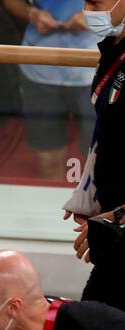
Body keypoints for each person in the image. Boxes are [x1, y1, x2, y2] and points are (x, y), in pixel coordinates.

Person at [65, 0, 125, 310]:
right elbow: (107, 134)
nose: (88, 10)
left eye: (96, 3)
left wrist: (118, 218)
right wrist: (88, 191)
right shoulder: (113, 50)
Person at [3, 0, 96, 182]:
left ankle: (100, 208)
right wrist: (32, 14)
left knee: (100, 161)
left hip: (95, 67)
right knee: (49, 161)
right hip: (40, 68)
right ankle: (55, 210)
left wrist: (98, 16)